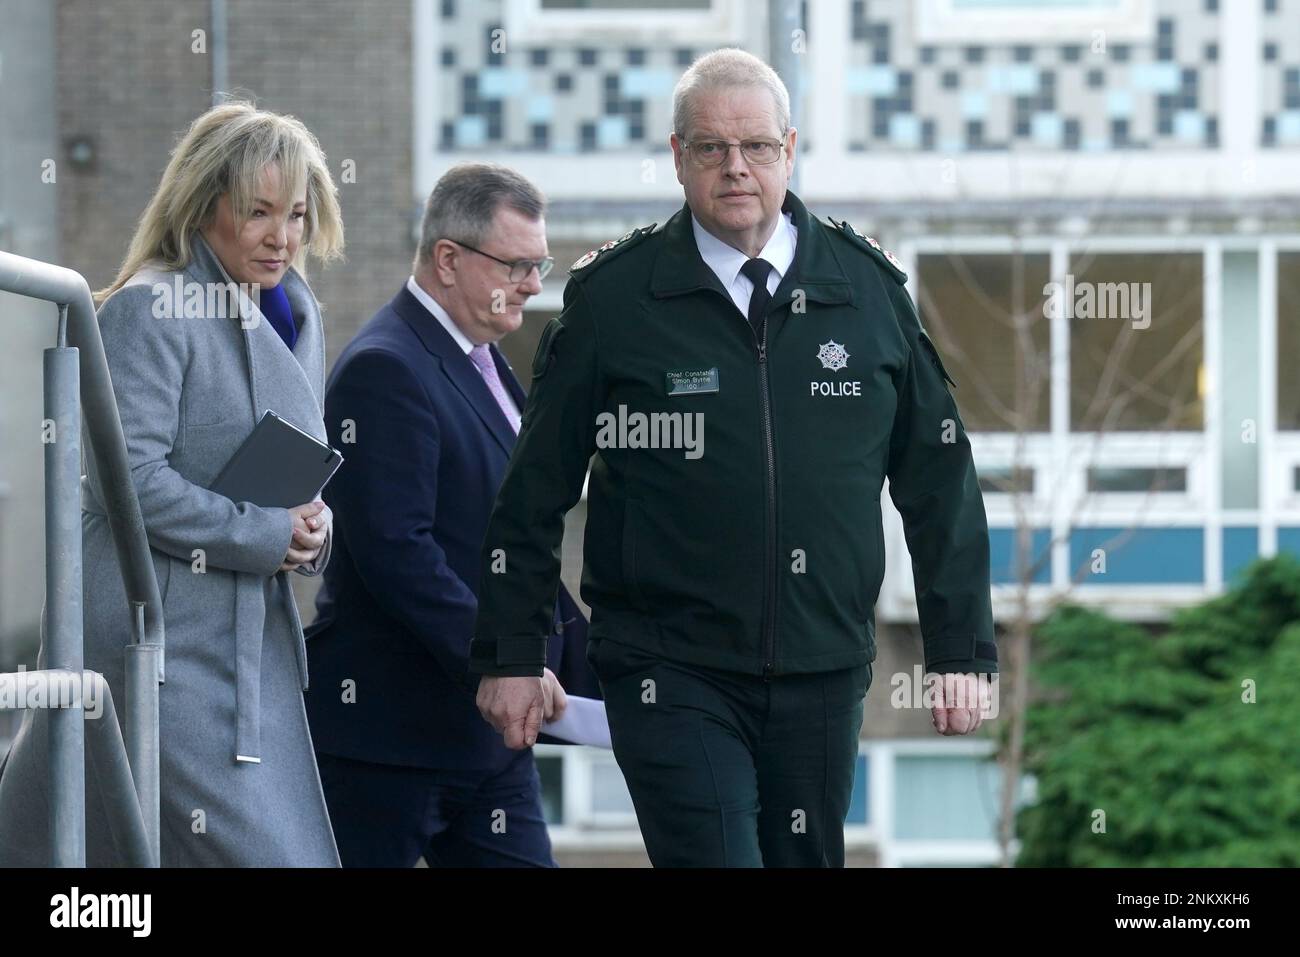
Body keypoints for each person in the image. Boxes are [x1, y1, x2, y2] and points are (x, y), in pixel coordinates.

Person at [470, 49, 998, 867]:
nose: (736, 167)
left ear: (789, 149)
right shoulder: (616, 300)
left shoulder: (866, 291)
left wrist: (959, 650)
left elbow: (939, 479)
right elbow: (534, 490)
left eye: (756, 146)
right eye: (711, 148)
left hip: (823, 668)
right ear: (678, 158)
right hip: (667, 666)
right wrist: (510, 652)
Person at [0, 100, 345, 866]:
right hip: (157, 643)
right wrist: (266, 532)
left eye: (295, 213)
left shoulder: (295, 310)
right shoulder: (149, 308)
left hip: (242, 651)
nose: (282, 236)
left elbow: (291, 465)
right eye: (258, 212)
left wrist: (313, 528)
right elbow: (126, 484)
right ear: (203, 204)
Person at [304, 163, 598, 868]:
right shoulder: (385, 366)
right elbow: (397, 551)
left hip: (489, 741)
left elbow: (512, 548)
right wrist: (505, 659)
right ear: (447, 259)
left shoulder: (486, 363)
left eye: (540, 264)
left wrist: (605, 664)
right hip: (390, 745)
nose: (534, 282)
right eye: (518, 265)